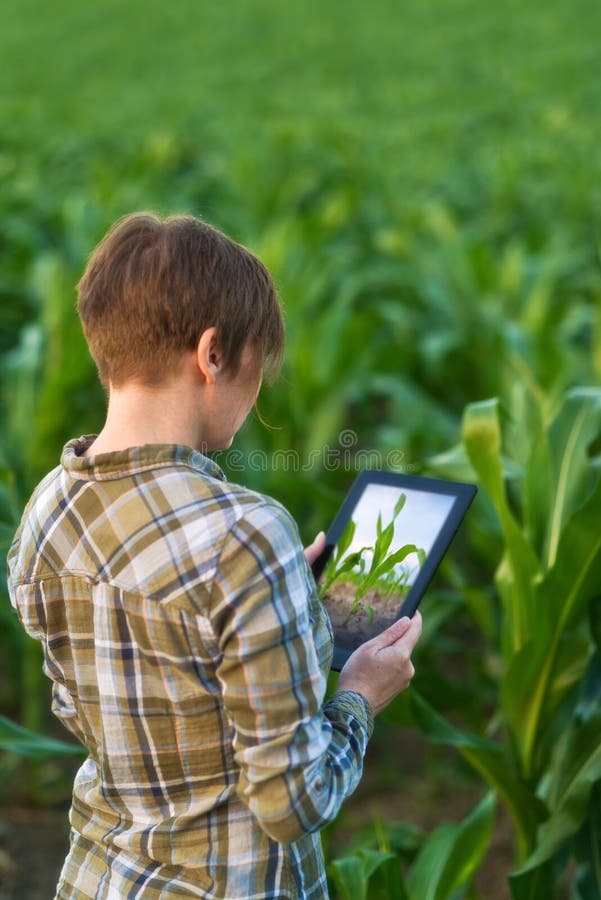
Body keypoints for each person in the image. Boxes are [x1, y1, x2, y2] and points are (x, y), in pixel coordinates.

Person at [7, 213, 422, 899]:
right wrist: (358, 695)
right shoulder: (245, 537)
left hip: (100, 877)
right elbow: (291, 805)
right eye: (260, 364)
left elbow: (147, 691)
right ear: (213, 355)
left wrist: (288, 611)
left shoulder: (47, 506)